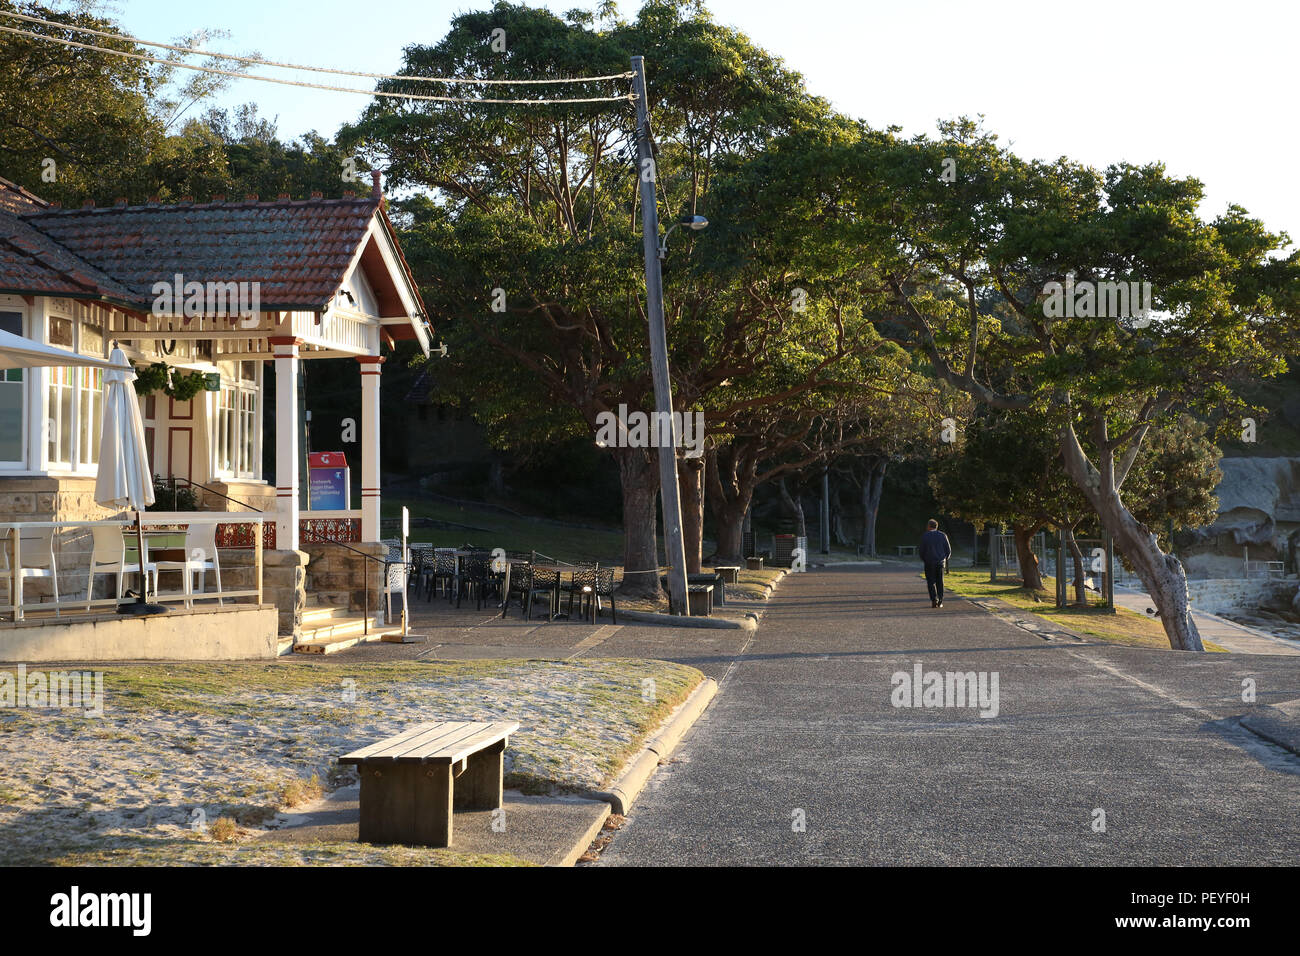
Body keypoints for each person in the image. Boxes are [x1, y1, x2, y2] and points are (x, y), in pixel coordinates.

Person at [919, 519, 952, 608]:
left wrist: (924, 559)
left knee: (930, 581)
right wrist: (945, 559)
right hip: (940, 562)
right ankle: (940, 600)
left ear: (929, 526)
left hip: (929, 562)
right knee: (940, 581)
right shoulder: (943, 535)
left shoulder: (925, 536)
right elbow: (948, 550)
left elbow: (922, 550)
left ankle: (934, 599)